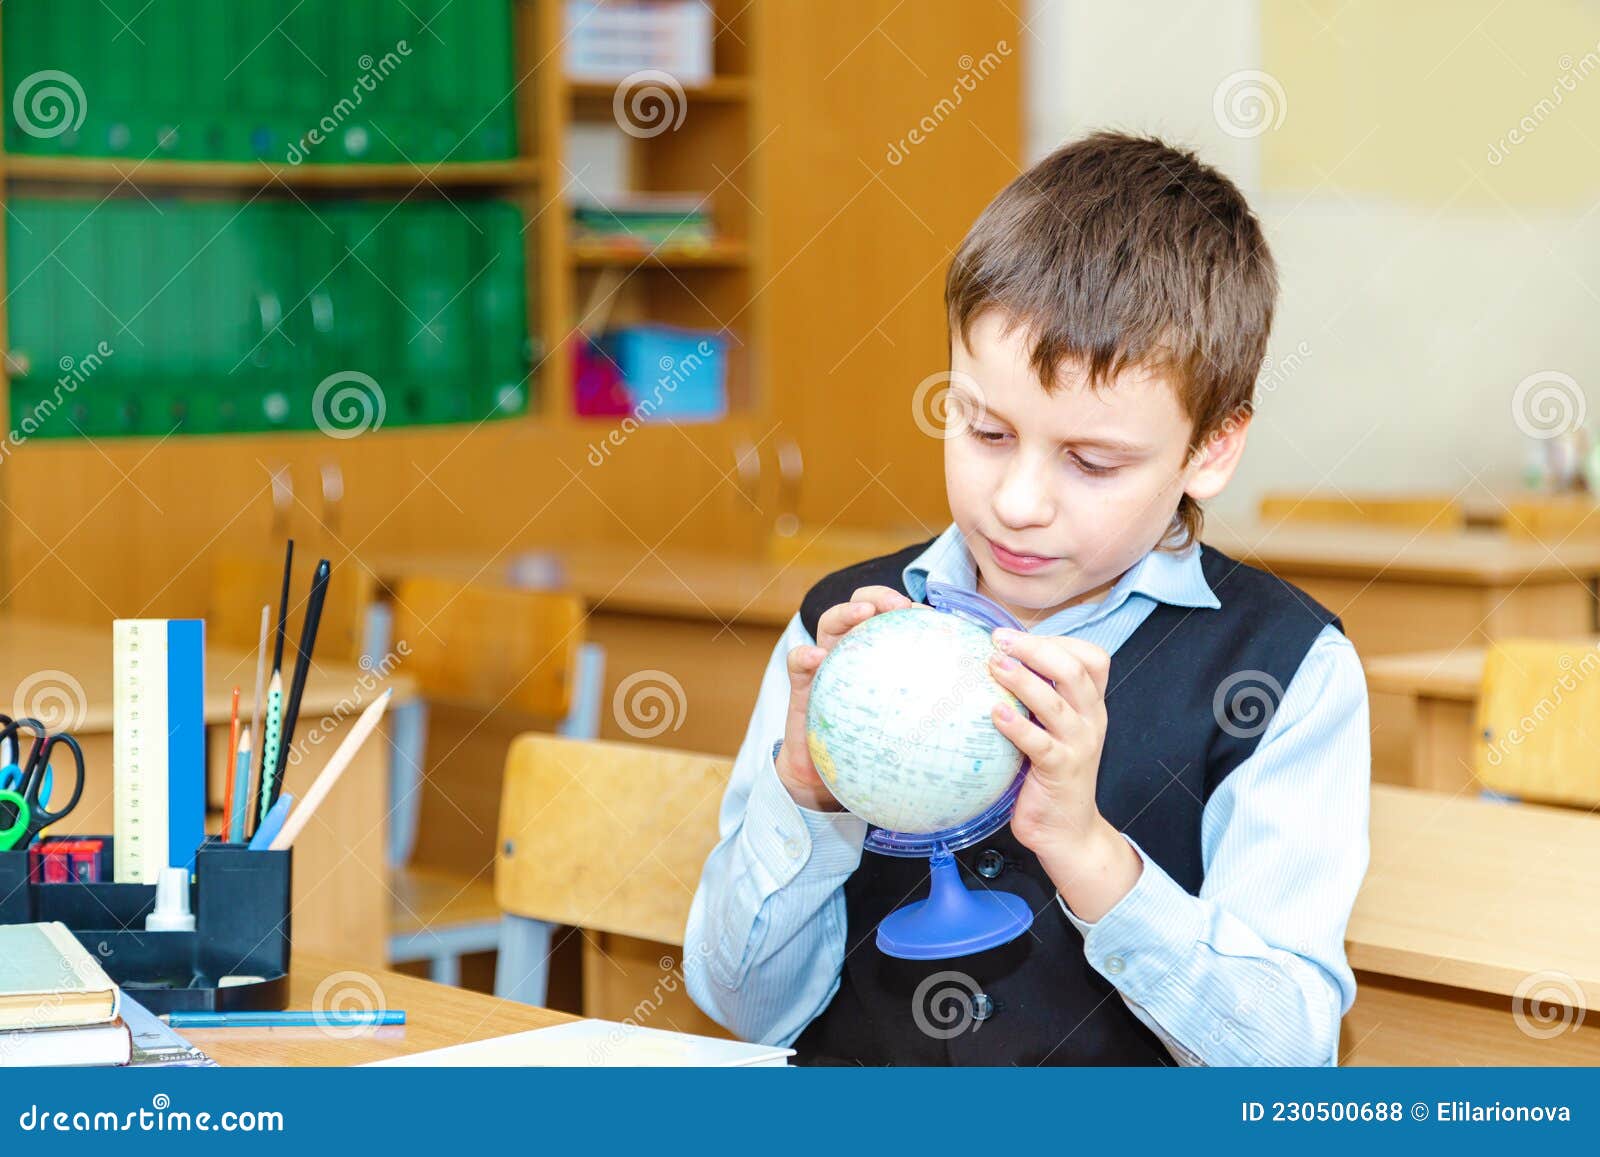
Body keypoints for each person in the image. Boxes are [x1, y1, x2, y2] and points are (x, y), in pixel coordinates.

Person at [683, 131, 1370, 1066]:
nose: (1017, 503)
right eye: (985, 429)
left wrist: (1090, 853)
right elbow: (740, 1004)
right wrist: (805, 795)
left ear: (1209, 449)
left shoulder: (1288, 672)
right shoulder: (841, 626)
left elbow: (1286, 1058)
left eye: (1091, 461)